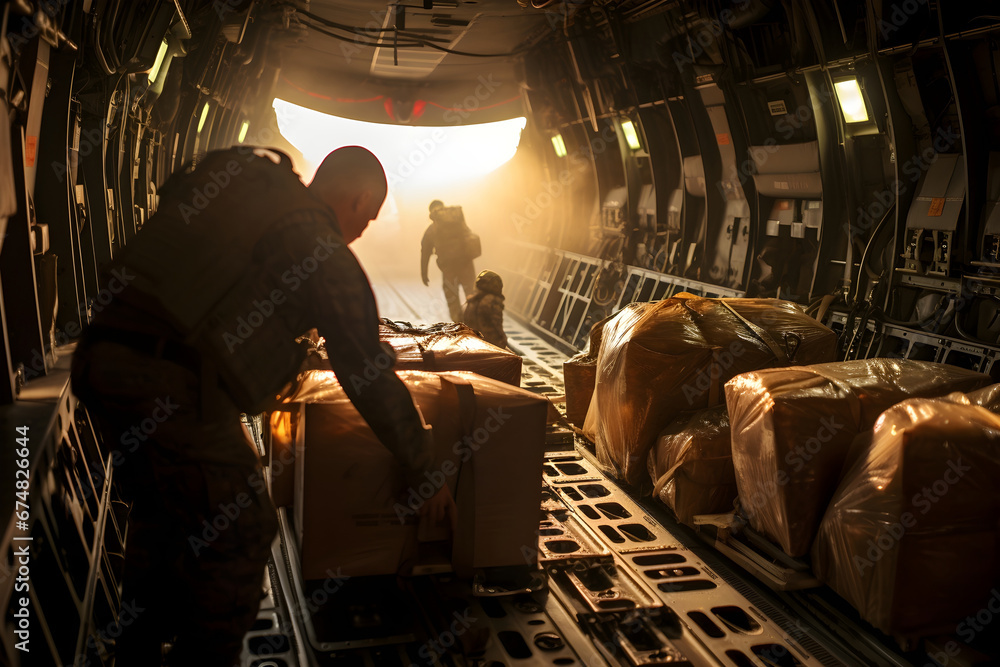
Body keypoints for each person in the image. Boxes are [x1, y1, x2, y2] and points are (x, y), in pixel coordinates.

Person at [70, 145, 454, 666]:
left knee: (164, 517)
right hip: (166, 384)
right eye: (368, 217)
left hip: (101, 358)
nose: (362, 231)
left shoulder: (260, 213)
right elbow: (366, 373)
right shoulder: (321, 248)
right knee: (244, 530)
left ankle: (135, 652)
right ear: (360, 197)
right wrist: (423, 466)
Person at [420, 200, 479, 321]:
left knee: (452, 299)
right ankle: (475, 322)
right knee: (472, 294)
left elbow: (425, 252)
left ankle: (460, 325)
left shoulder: (432, 229)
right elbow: (470, 237)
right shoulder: (458, 222)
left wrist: (424, 273)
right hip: (466, 264)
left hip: (449, 269)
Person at [462, 270, 508, 349]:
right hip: (490, 345)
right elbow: (497, 327)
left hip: (471, 343)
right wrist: (504, 341)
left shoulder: (471, 301)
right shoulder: (493, 301)